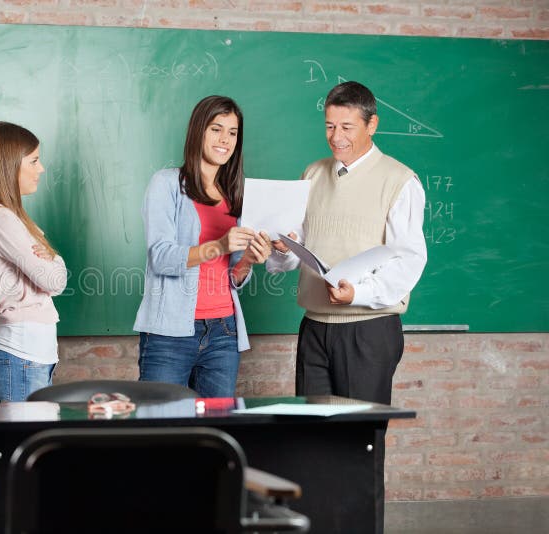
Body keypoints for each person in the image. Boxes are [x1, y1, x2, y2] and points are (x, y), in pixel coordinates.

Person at [266, 81, 427, 533]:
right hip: (314, 326)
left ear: (372, 124)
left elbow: (408, 259)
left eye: (348, 127)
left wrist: (358, 292)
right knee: (311, 438)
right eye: (329, 126)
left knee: (360, 443)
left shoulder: (400, 180)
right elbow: (284, 259)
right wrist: (281, 247)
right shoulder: (312, 174)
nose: (337, 136)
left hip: (368, 329)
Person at [133, 95, 271, 398]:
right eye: (216, 129)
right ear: (199, 131)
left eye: (232, 133)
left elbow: (232, 276)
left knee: (215, 432)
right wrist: (218, 245)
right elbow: (161, 257)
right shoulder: (166, 184)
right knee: (161, 429)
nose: (225, 140)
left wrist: (248, 260)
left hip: (224, 331)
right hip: (170, 333)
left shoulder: (235, 195)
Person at [0, 122, 67, 402]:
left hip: (30, 358)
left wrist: (52, 261)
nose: (42, 169)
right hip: (21, 358)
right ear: (9, 165)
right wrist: (56, 259)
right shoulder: (0, 218)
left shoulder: (11, 216)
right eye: (34, 161)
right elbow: (54, 280)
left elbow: (51, 277)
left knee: (31, 445)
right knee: (22, 446)